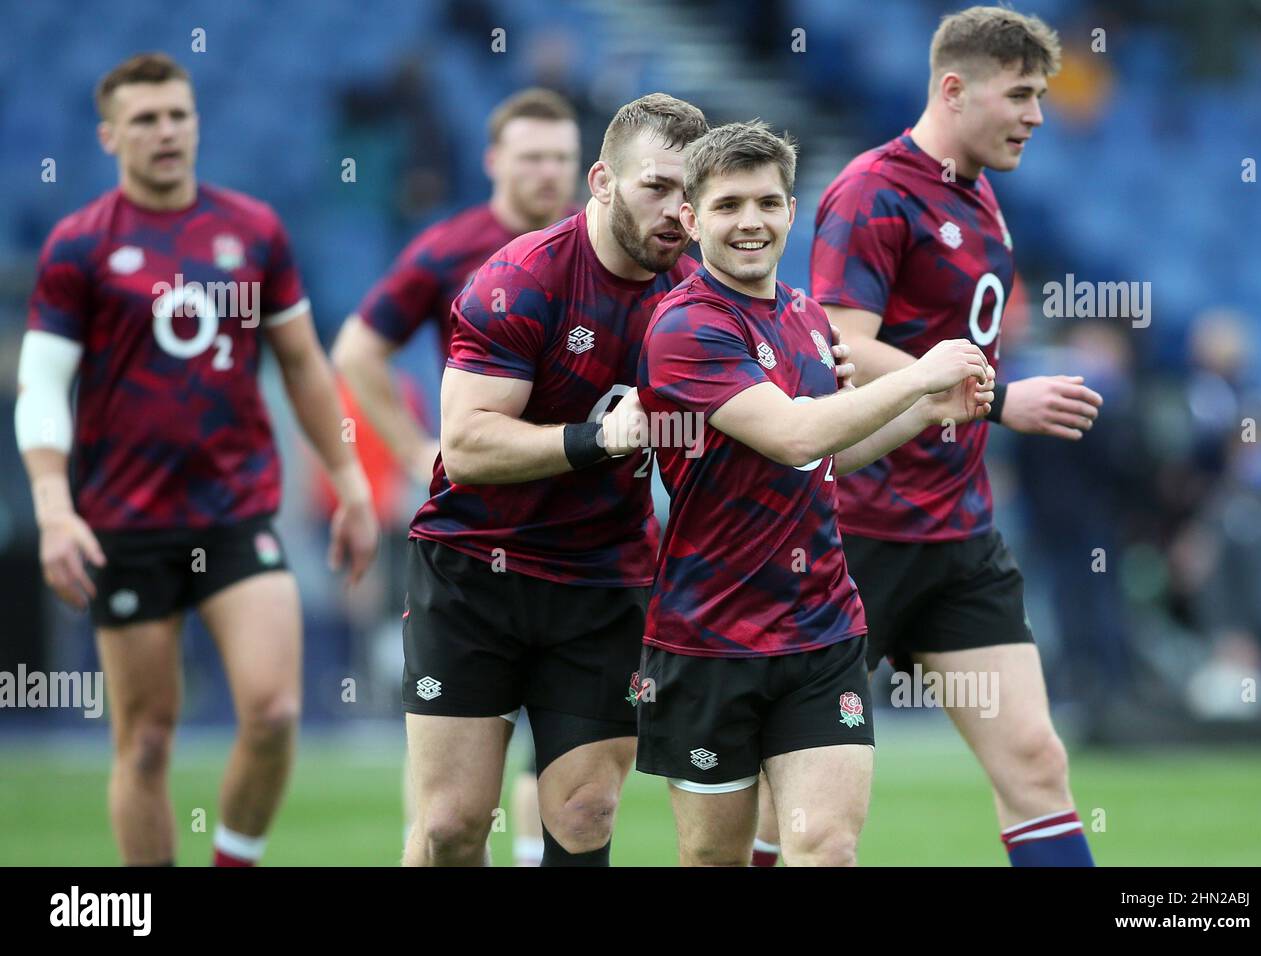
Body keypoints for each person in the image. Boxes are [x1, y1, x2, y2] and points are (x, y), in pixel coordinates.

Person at [758, 6, 1102, 867]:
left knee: (1036, 760)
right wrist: (996, 402)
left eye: (1039, 96)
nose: (1036, 114)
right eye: (1020, 93)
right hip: (853, 533)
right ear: (954, 88)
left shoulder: (981, 194)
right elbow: (840, 346)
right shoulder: (874, 190)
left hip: (955, 533)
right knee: (807, 822)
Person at [15, 52, 379, 866]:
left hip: (234, 511)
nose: (166, 130)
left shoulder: (252, 231)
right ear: (110, 135)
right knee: (145, 743)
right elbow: (40, 385)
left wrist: (350, 481)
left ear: (197, 122)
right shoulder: (80, 246)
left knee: (276, 711)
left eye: (178, 114)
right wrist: (51, 505)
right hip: (124, 524)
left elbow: (304, 366)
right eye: (145, 119)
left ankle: (231, 860)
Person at [635, 120, 994, 866]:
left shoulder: (805, 315)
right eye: (729, 205)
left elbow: (825, 456)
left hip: (821, 626)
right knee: (714, 859)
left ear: (792, 213)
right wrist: (918, 375)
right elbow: (795, 435)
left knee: (825, 847)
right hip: (709, 635)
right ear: (693, 220)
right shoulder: (686, 325)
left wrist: (927, 412)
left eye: (768, 202)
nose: (751, 222)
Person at [400, 93, 708, 867]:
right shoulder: (521, 278)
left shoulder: (698, 299)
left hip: (603, 580)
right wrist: (593, 441)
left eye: (690, 194)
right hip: (474, 570)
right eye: (657, 187)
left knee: (584, 810)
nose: (677, 211)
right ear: (601, 182)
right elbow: (466, 446)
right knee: (449, 826)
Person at [332, 86, 581, 867]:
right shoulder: (450, 247)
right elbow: (356, 350)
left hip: (584, 534)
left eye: (563, 158)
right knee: (445, 813)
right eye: (533, 157)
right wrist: (414, 448)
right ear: (493, 161)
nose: (549, 173)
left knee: (569, 781)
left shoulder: (606, 247)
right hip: (475, 531)